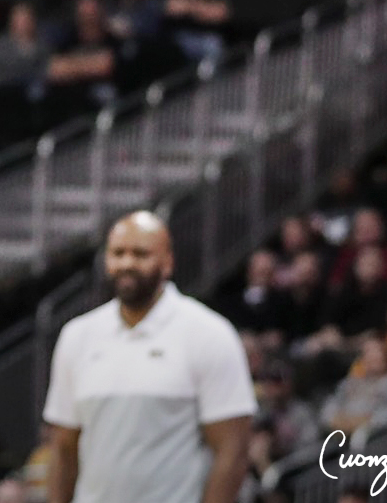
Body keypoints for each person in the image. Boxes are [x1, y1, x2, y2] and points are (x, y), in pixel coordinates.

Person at [43, 212, 253, 503]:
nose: (127, 263)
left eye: (140, 254)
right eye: (118, 253)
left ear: (167, 262)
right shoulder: (77, 336)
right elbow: (64, 448)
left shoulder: (209, 334)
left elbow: (232, 449)